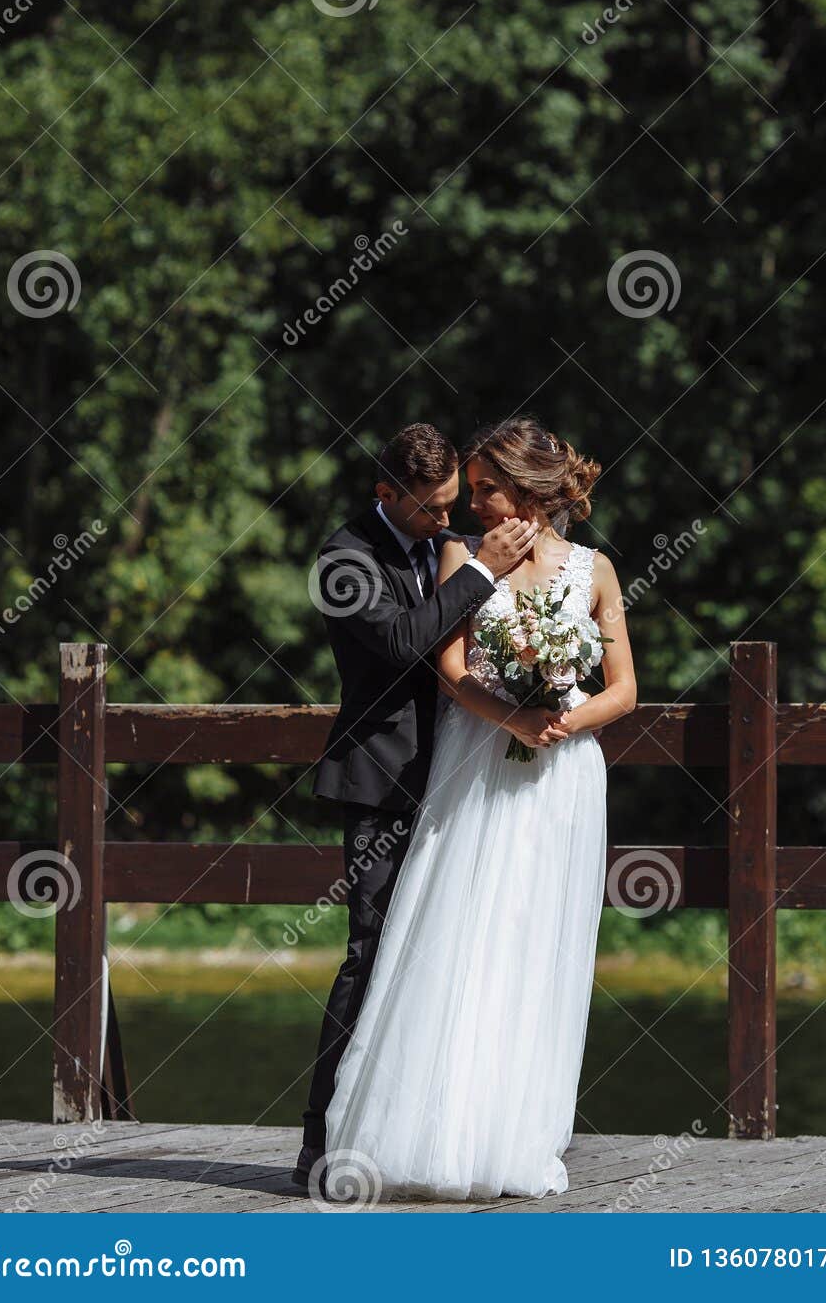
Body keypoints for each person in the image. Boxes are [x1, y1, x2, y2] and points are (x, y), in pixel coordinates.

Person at [317, 416, 636, 1203]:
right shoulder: (448, 558)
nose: (466, 511)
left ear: (528, 492)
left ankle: (510, 1137)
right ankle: (372, 1137)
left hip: (559, 780)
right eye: (453, 499)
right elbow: (439, 664)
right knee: (429, 943)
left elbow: (625, 687)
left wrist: (564, 718)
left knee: (533, 950)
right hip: (471, 762)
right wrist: (515, 716)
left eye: (482, 492)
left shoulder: (595, 569)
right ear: (390, 494)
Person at [293, 422, 538, 1192]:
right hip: (382, 784)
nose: (445, 520)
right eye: (431, 510)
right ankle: (319, 1144)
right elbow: (402, 645)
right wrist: (480, 575)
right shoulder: (343, 560)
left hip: (457, 776)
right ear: (385, 493)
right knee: (370, 956)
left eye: (448, 507)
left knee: (444, 961)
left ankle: (415, 1138)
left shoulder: (447, 546)